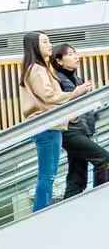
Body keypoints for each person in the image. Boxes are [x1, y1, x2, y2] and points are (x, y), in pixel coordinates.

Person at [22, 30, 94, 211]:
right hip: (46, 125)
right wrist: (75, 93)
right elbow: (49, 96)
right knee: (47, 175)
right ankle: (42, 212)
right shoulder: (37, 69)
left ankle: (42, 211)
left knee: (49, 174)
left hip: (49, 125)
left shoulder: (39, 68)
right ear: (35, 46)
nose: (50, 45)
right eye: (45, 42)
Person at [53, 44, 109, 199]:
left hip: (82, 131)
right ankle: (101, 198)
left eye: (75, 53)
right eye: (70, 54)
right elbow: (53, 102)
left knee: (77, 177)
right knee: (104, 159)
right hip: (70, 132)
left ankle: (68, 210)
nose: (75, 56)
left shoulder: (78, 80)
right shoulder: (56, 79)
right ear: (59, 61)